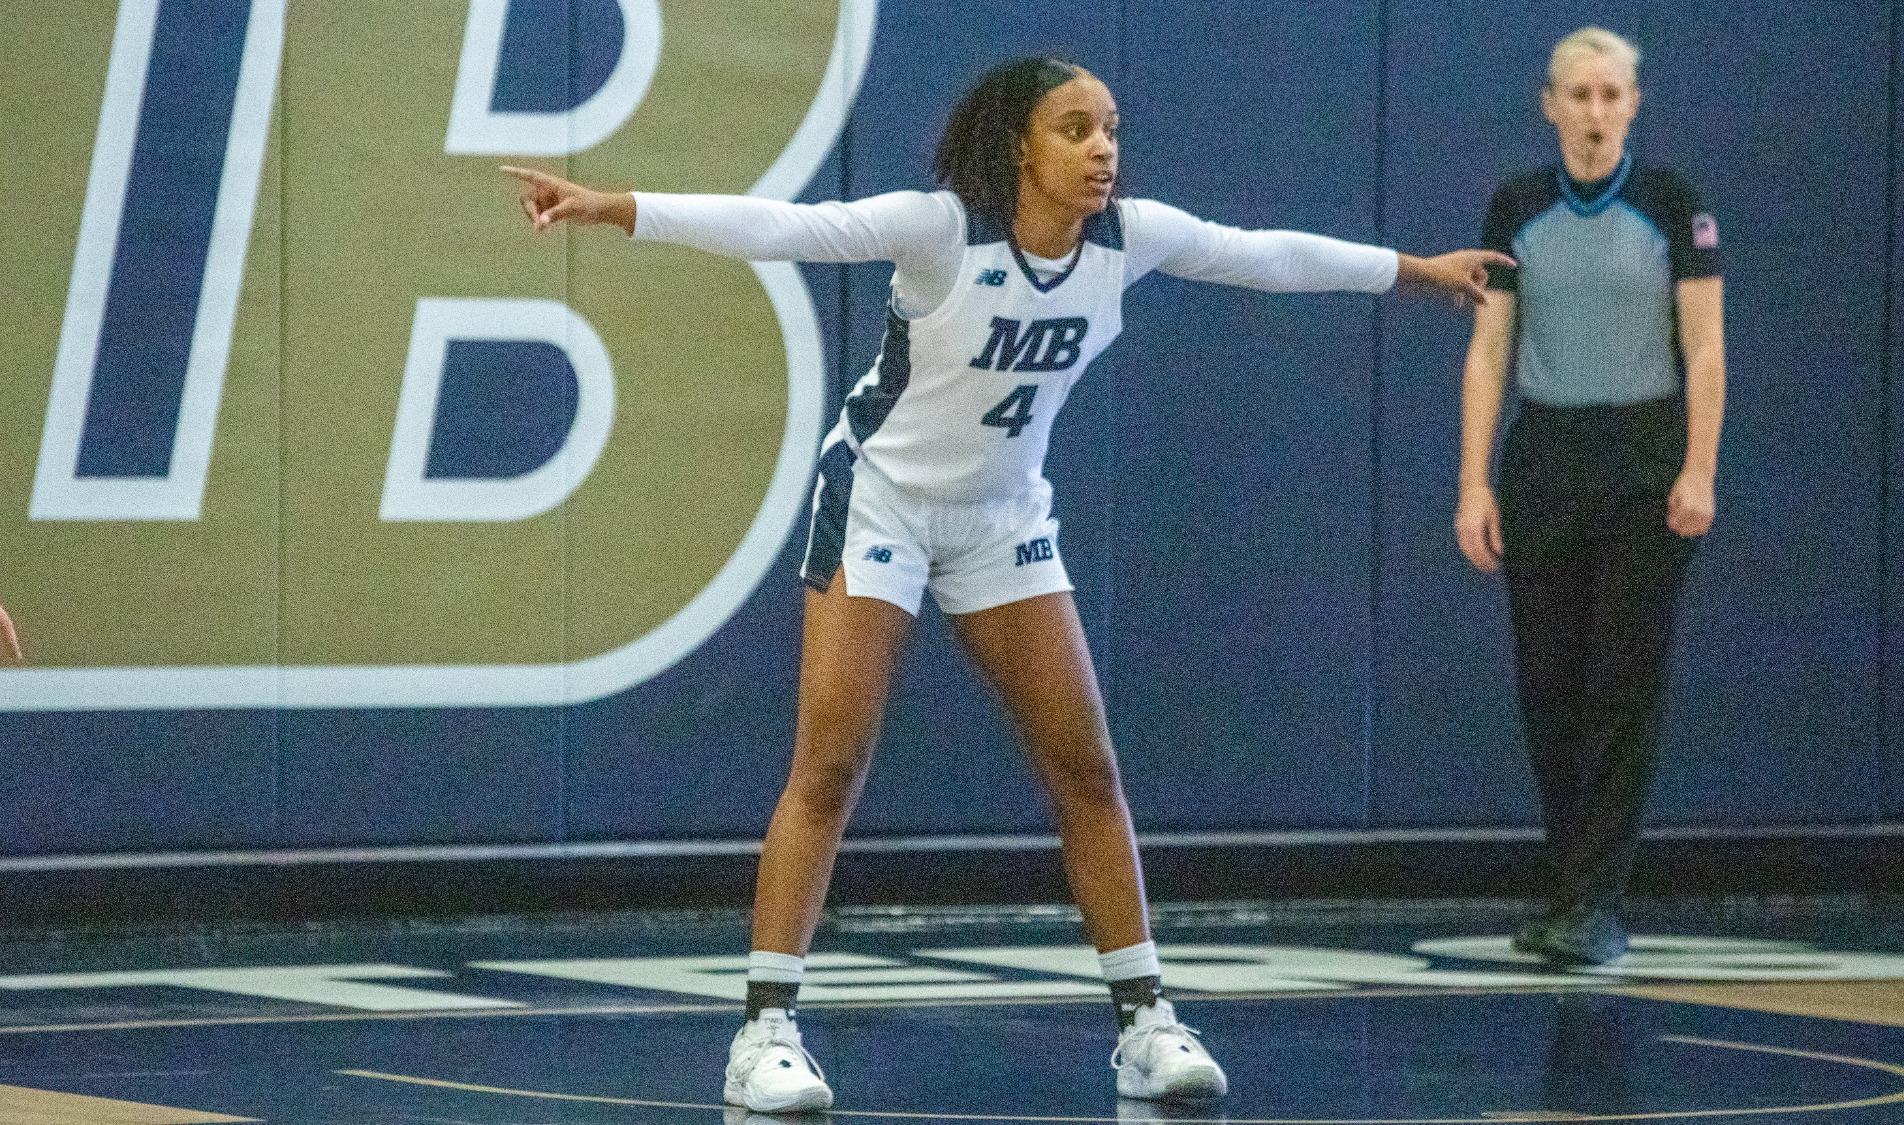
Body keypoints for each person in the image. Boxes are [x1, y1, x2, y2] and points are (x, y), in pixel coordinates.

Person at [508, 56, 1506, 1109]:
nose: (1101, 149)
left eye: (1110, 129)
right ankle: (763, 1034)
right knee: (832, 764)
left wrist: (1414, 269)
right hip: (880, 500)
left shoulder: (1129, 238)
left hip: (1000, 520)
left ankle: (1144, 1027)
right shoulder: (940, 230)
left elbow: (1263, 256)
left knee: (1085, 767)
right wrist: (613, 207)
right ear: (1018, 147)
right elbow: (783, 227)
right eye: (1074, 130)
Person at [1455, 28, 1726, 965]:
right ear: (1550, 104)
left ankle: (1596, 903)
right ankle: (1568, 885)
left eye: (1612, 95)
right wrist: (1473, 482)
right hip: (1547, 459)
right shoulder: (1517, 207)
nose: (1596, 113)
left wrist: (1698, 466)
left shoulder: (1673, 205)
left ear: (1634, 105)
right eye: (1579, 95)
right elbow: (1489, 352)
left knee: (1622, 683)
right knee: (1550, 685)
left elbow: (1705, 348)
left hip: (1645, 458)